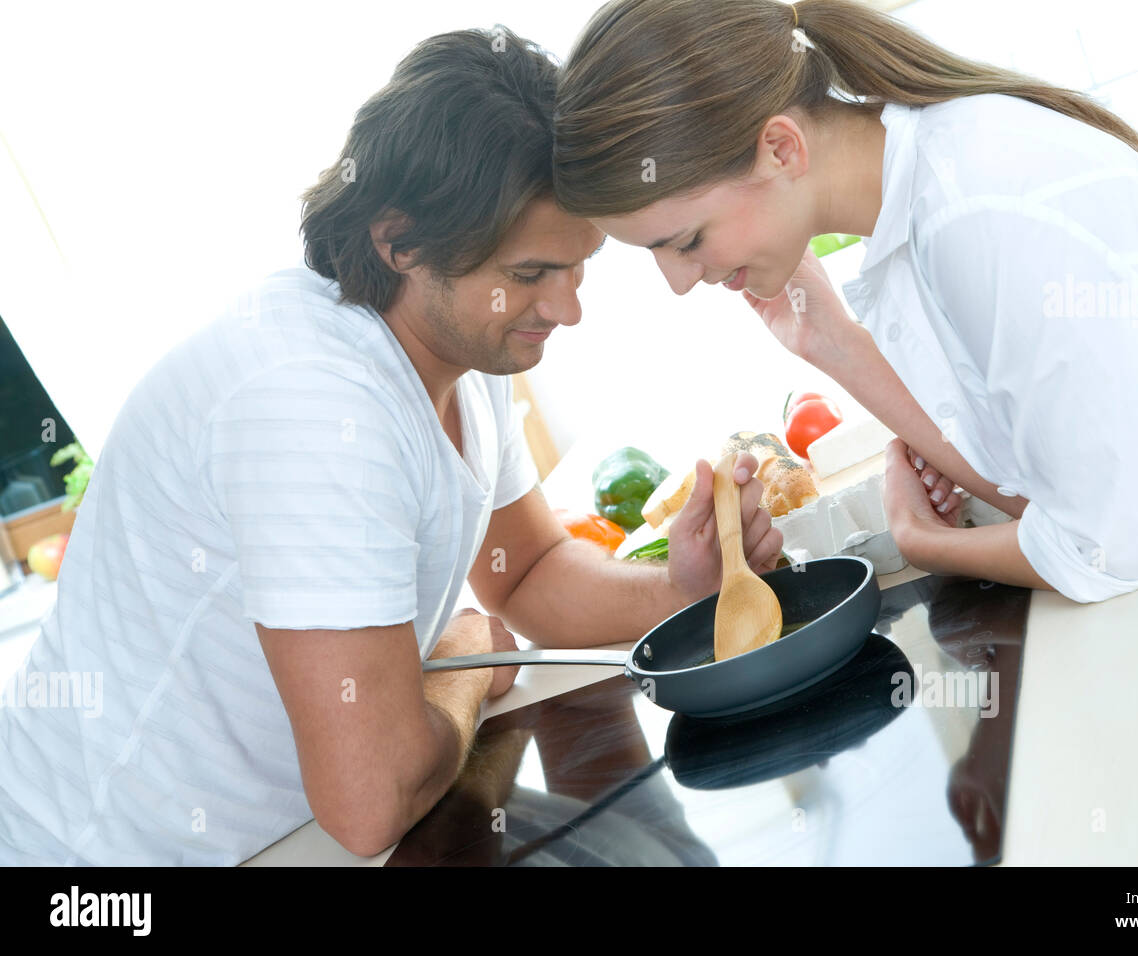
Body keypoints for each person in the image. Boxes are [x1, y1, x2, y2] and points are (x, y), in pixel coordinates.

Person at [0, 27, 781, 866]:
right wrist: (462, 661)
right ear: (399, 241)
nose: (566, 310)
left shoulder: (464, 350)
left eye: (575, 266)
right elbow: (371, 801)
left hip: (291, 838)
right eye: (527, 276)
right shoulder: (308, 405)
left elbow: (525, 575)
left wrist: (684, 587)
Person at [550, 0, 1138, 608]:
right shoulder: (925, 198)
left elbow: (1112, 547)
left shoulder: (979, 209)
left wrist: (925, 542)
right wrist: (829, 343)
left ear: (781, 148)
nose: (681, 282)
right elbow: (1054, 491)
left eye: (684, 241)